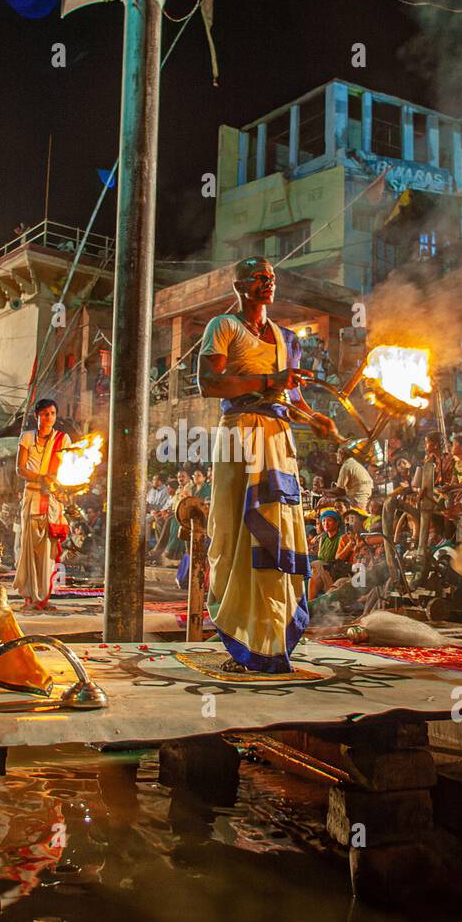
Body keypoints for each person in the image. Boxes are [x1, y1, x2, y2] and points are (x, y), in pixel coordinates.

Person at [197, 256, 334, 672]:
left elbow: (291, 401)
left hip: (277, 439)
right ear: (239, 285)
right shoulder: (223, 327)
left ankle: (270, 639)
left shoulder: (286, 338)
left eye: (271, 278)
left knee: (279, 529)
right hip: (240, 433)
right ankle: (242, 635)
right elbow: (209, 383)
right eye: (258, 277)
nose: (266, 283)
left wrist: (316, 418)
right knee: (235, 530)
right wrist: (269, 383)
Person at [14, 399, 71, 609]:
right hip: (32, 498)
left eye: (53, 413)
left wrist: (55, 482)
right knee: (29, 548)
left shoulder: (63, 439)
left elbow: (65, 469)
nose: (49, 418)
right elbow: (20, 470)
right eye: (45, 413)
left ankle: (43, 597)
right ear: (37, 415)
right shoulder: (27, 437)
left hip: (52, 500)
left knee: (47, 549)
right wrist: (41, 478)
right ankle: (30, 596)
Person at [332, 442, 373, 511]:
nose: (336, 457)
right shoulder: (355, 464)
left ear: (342, 453)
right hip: (364, 500)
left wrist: (321, 490)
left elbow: (339, 490)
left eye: (337, 454)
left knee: (324, 500)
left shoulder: (346, 466)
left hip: (355, 501)